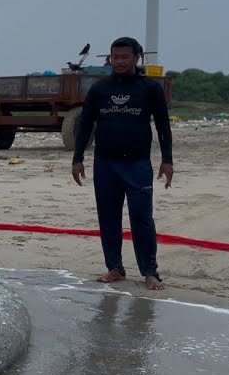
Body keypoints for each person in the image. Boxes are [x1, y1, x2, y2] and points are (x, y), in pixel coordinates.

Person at [71, 36, 174, 291]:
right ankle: (115, 267)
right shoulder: (99, 89)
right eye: (115, 57)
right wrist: (77, 158)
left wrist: (167, 160)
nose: (119, 62)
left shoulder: (149, 89)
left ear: (136, 58)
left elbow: (163, 125)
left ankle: (150, 271)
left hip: (137, 164)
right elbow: (85, 126)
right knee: (108, 217)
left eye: (125, 57)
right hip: (105, 164)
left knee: (141, 217)